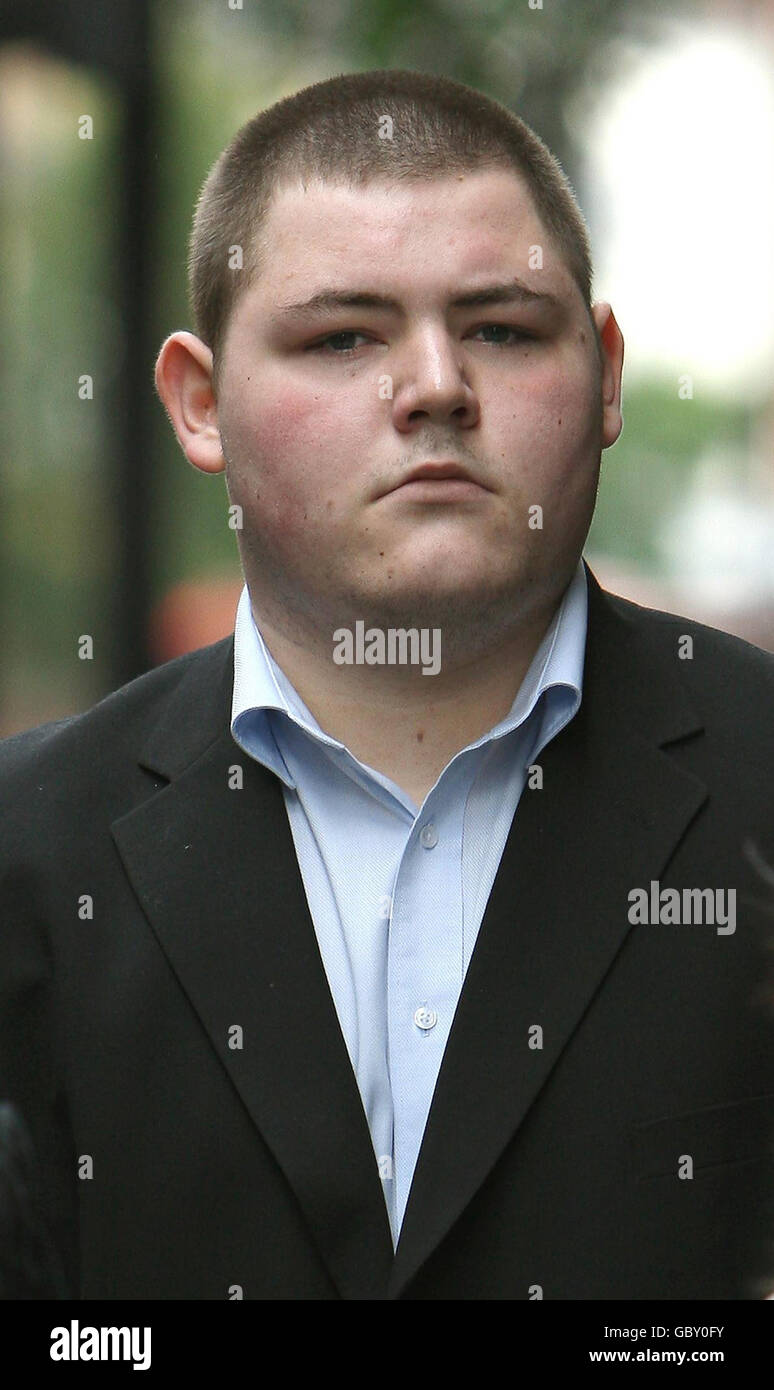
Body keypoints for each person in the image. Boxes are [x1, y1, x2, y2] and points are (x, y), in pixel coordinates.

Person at [1, 68, 773, 1302]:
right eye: (343, 335)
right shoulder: (26, 852)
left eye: (504, 329)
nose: (435, 387)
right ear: (200, 405)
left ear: (609, 373)